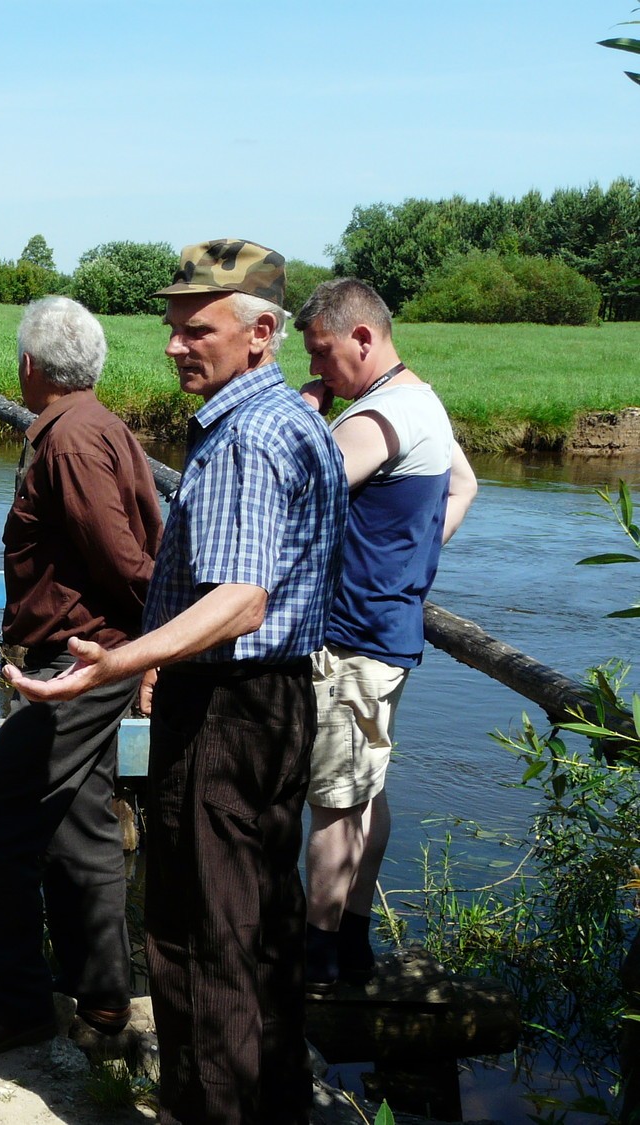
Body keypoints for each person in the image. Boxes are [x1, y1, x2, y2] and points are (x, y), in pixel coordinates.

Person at [5, 240, 347, 1125]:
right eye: (172, 328)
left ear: (261, 333)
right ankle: (273, 1106)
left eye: (197, 329)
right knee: (258, 926)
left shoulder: (248, 438)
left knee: (204, 936)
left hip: (231, 707)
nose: (173, 345)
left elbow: (239, 599)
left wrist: (128, 657)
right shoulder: (297, 422)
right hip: (274, 704)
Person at [0, 296, 164, 1057]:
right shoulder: (99, 425)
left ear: (30, 367)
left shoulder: (68, 444)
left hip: (83, 663)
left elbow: (128, 561)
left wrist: (149, 650)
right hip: (96, 657)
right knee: (79, 823)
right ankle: (100, 1005)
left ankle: (13, 1005)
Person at [294, 278, 478, 992]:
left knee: (334, 801)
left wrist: (309, 415)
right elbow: (464, 486)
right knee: (367, 790)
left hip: (349, 638)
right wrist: (412, 568)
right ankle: (356, 943)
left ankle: (314, 963)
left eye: (324, 354)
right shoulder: (423, 401)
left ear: (363, 338)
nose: (318, 372)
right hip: (389, 629)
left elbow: (301, 487)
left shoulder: (374, 419)